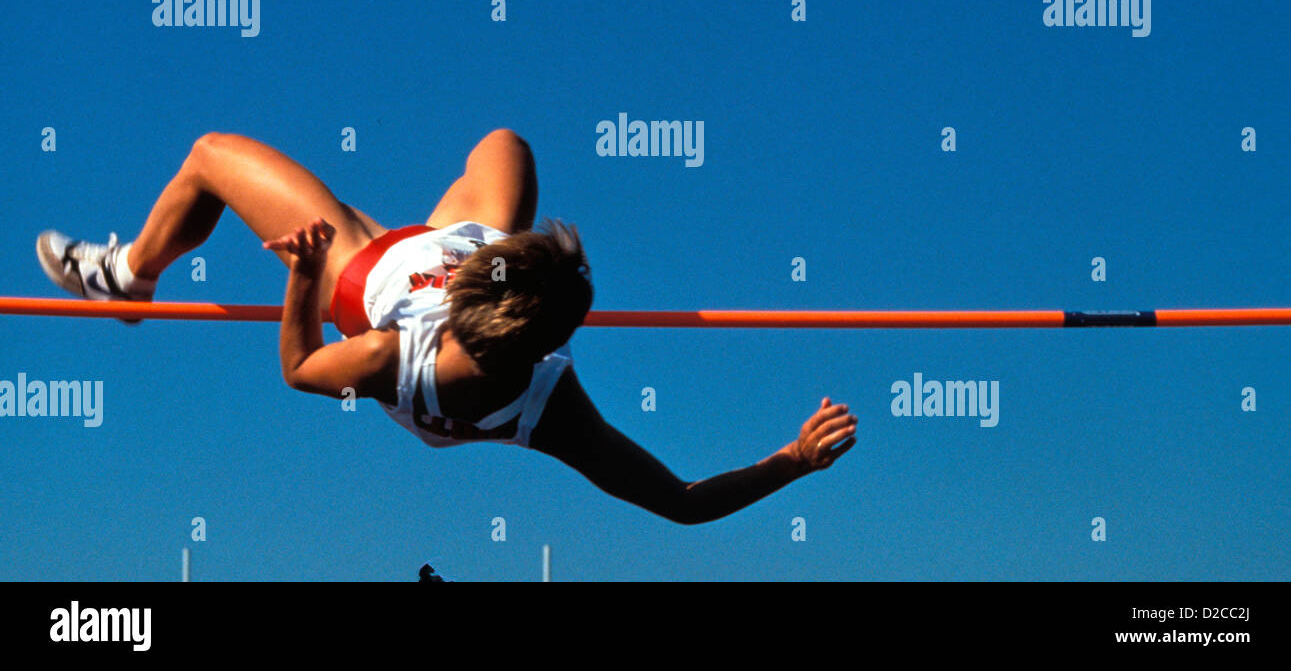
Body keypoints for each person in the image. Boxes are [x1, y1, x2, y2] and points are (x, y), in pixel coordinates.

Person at [37, 130, 857, 524]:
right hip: (455, 264)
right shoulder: (551, 390)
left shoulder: (399, 356)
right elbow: (679, 500)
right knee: (506, 145)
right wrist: (792, 461)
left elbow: (298, 366)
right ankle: (480, 244)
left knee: (211, 156)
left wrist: (302, 275)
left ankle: (129, 276)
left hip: (358, 265)